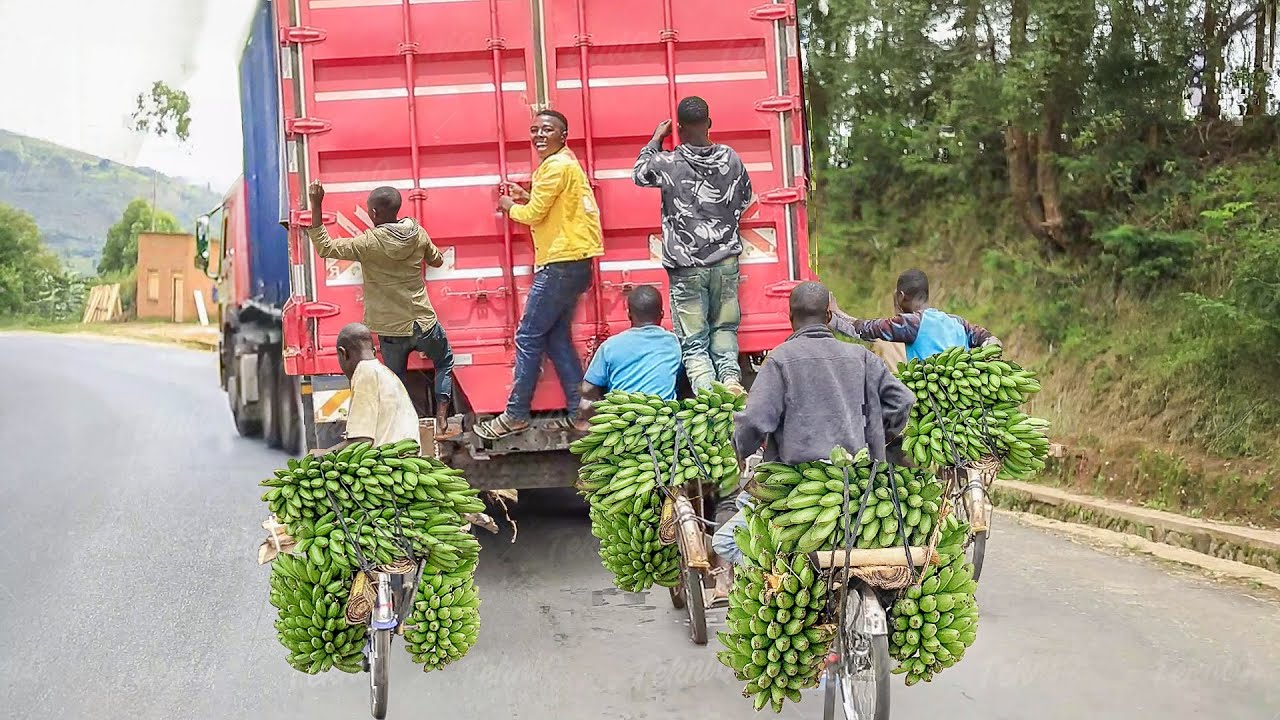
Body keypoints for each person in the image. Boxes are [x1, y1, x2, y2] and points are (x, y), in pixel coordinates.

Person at [711, 281, 916, 567]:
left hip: (795, 490)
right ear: (829, 316)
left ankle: (776, 581)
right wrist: (880, 433)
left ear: (790, 317)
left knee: (724, 541)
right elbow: (903, 401)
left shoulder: (780, 360)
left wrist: (738, 450)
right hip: (860, 483)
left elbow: (756, 420)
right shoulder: (862, 358)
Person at [476, 110, 605, 440]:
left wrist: (508, 204)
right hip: (575, 262)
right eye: (534, 130)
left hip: (560, 264)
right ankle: (582, 412)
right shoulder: (565, 162)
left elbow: (533, 215)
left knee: (528, 336)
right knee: (556, 337)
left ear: (564, 135)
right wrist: (526, 196)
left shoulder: (554, 167)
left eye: (548, 130)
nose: (539, 135)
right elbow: (551, 206)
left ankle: (516, 414)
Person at [306, 182, 459, 439]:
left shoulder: (368, 243)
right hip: (423, 322)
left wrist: (317, 204)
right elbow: (437, 260)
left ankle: (405, 430)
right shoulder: (417, 234)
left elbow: (325, 248)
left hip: (391, 331)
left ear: (374, 214)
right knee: (444, 361)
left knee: (394, 381)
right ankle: (442, 419)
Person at [633, 96, 752, 395]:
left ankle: (708, 395)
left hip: (686, 268)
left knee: (694, 342)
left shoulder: (668, 162)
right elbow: (746, 198)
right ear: (709, 124)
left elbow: (639, 173)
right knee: (724, 330)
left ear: (680, 129)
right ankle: (730, 380)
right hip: (726, 263)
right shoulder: (730, 158)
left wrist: (655, 140)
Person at [829, 269, 1001, 362]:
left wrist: (837, 313)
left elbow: (865, 329)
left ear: (901, 296)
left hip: (931, 410)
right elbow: (993, 342)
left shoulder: (911, 323)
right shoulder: (957, 322)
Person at [573, 285, 682, 431]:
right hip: (662, 430)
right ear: (662, 314)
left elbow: (587, 392)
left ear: (629, 315)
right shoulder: (675, 344)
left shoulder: (610, 347)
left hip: (622, 431)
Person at [311, 323, 420, 455]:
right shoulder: (384, 372)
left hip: (389, 465)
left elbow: (361, 441)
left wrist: (320, 456)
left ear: (343, 353)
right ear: (373, 351)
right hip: (403, 459)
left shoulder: (365, 372)